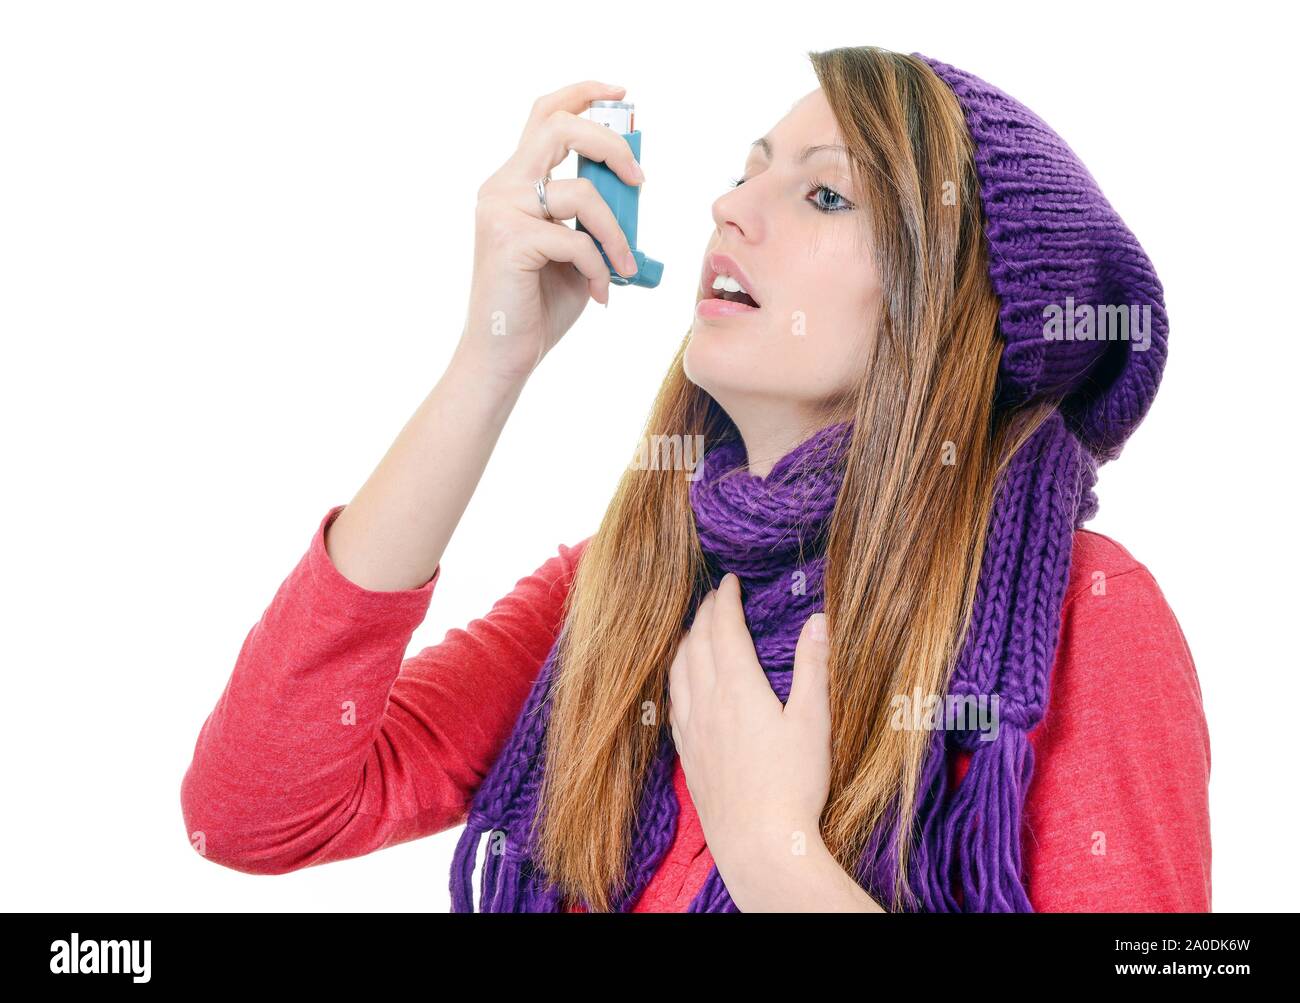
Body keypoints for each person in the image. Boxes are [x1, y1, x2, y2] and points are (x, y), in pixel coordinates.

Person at [180, 46, 1211, 912]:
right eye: (745, 171)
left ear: (951, 316)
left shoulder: (1086, 617)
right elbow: (254, 810)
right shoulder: (623, 587)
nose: (727, 207)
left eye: (822, 192)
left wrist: (776, 855)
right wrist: (490, 359)